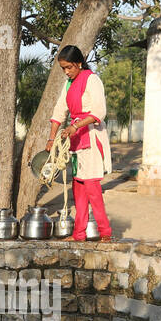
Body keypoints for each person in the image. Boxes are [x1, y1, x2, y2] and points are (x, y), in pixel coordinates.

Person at [46, 45, 113, 240]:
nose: (66, 72)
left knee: (92, 186)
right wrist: (51, 138)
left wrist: (76, 127)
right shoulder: (68, 84)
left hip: (91, 136)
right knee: (79, 187)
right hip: (76, 140)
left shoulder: (92, 80)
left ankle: (105, 232)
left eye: (69, 67)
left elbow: (99, 112)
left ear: (79, 63)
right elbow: (59, 111)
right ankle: (79, 234)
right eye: (63, 69)